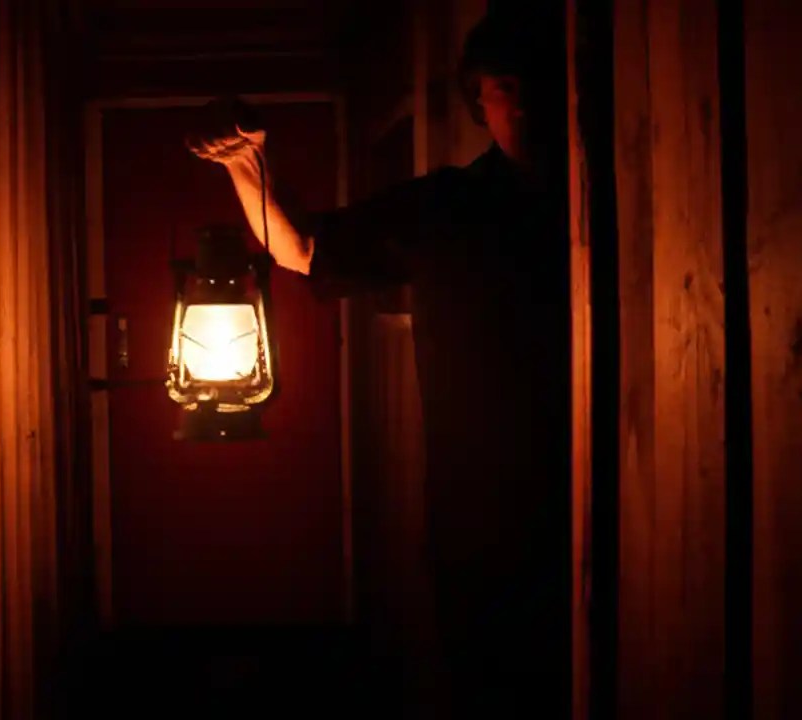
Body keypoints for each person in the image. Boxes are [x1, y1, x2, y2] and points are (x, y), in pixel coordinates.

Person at [188, 11, 570, 717]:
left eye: (539, 82)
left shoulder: (634, 191)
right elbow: (302, 249)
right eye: (505, 86)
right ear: (478, 101)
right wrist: (244, 162)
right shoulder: (450, 209)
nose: (526, 104)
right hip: (483, 525)